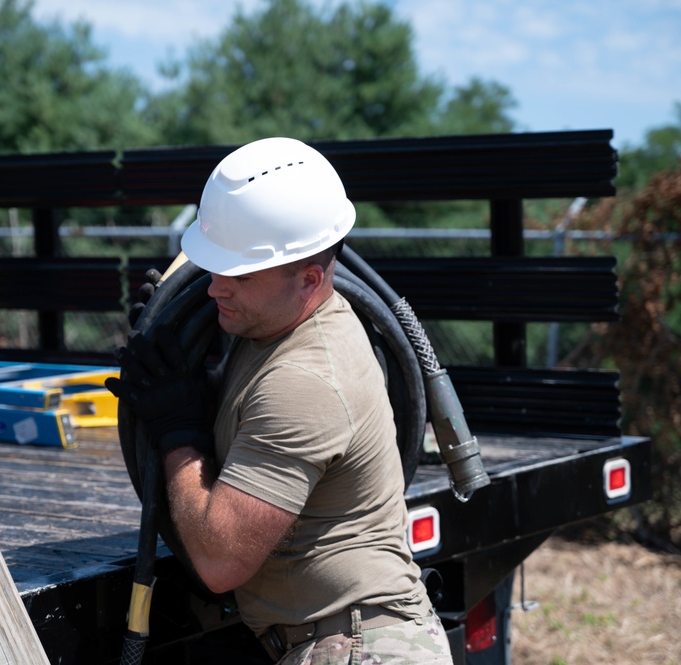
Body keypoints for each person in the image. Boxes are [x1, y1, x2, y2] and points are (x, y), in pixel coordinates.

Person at [106, 137, 452, 664]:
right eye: (214, 266)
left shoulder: (305, 380)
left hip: (360, 650)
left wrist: (177, 429)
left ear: (309, 279)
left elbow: (219, 561)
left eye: (240, 275)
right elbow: (250, 415)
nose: (214, 287)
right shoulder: (273, 327)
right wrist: (184, 364)